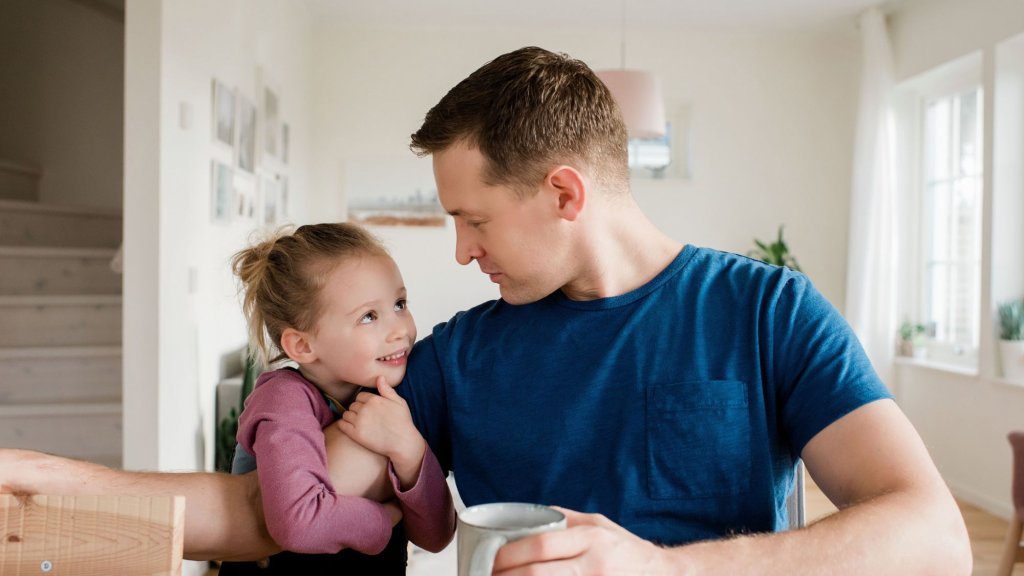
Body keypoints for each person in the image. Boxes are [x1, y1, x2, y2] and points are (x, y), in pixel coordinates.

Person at [0, 46, 972, 575]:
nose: (460, 252)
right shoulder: (456, 358)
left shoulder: (767, 311)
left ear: (562, 194)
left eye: (473, 220)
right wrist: (38, 474)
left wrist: (669, 574)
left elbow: (933, 538)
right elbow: (265, 511)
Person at [219, 223, 455, 575]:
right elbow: (297, 521)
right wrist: (387, 516)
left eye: (399, 304)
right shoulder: (282, 399)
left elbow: (437, 535)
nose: (400, 329)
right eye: (369, 316)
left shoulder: (386, 400)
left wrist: (410, 451)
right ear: (302, 345)